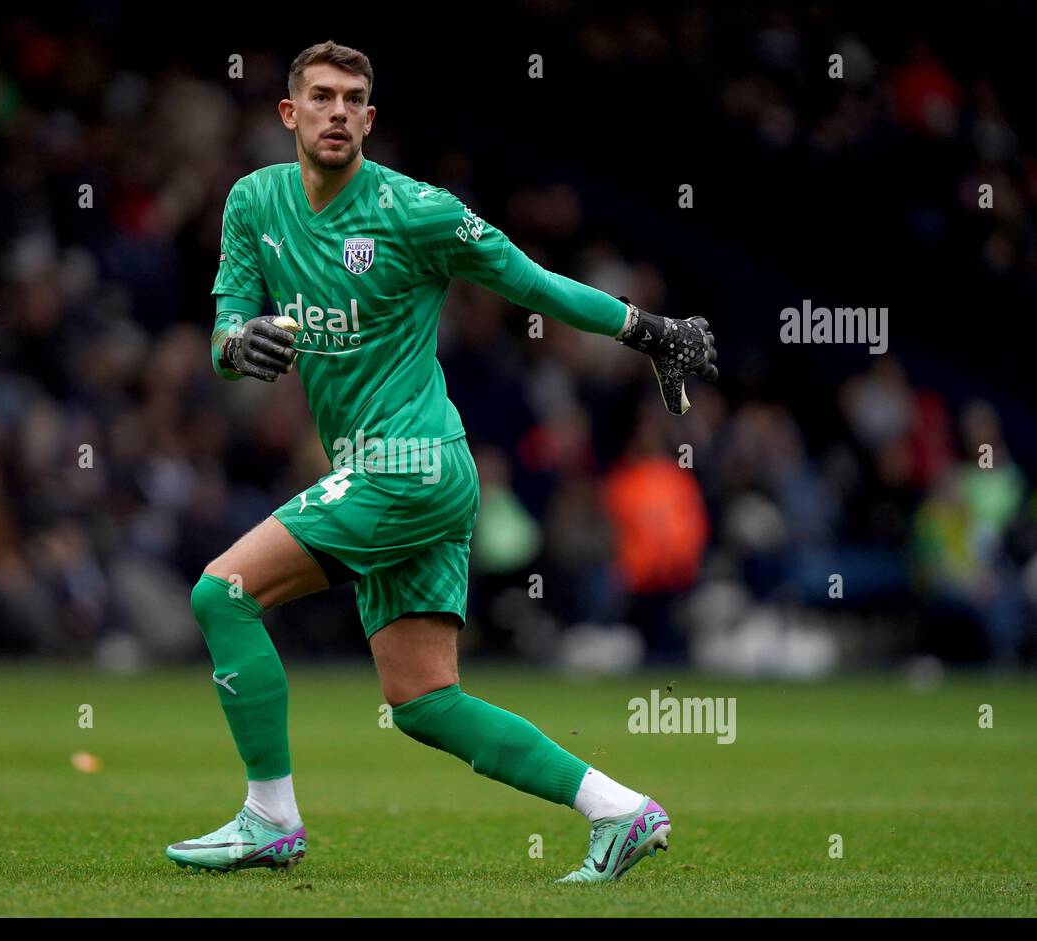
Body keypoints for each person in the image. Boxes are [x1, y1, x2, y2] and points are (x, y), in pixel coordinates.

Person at [165, 41, 718, 883]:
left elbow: (529, 282)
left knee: (222, 591)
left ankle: (270, 815)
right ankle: (620, 809)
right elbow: (224, 328)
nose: (338, 111)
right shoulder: (253, 203)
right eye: (321, 97)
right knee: (424, 702)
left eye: (354, 98)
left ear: (371, 119)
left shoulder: (415, 209)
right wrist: (239, 344)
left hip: (413, 464)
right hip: (389, 472)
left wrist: (646, 330)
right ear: (291, 114)